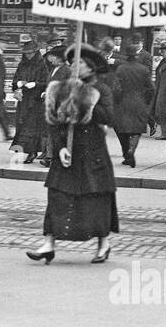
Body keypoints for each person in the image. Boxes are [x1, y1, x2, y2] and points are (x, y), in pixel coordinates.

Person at [27, 43, 118, 265]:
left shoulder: (101, 89)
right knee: (58, 196)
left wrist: (85, 99)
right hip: (67, 152)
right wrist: (60, 148)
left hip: (92, 152)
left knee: (95, 199)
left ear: (91, 68)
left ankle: (103, 244)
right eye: (73, 63)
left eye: (81, 64)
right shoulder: (62, 88)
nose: (75, 67)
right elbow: (55, 123)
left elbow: (108, 117)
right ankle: (49, 244)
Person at [111, 43, 154, 168]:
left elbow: (116, 89)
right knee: (137, 129)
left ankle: (126, 154)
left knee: (121, 130)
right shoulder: (144, 69)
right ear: (136, 55)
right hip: (139, 103)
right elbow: (151, 89)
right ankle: (131, 150)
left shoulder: (121, 69)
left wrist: (117, 101)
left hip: (123, 103)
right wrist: (145, 101)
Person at [11, 38, 49, 164]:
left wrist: (35, 84)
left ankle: (31, 152)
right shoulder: (22, 64)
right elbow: (14, 81)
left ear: (35, 52)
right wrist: (18, 83)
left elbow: (45, 82)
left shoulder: (42, 65)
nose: (28, 55)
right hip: (23, 99)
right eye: (26, 53)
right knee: (21, 126)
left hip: (35, 101)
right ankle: (21, 151)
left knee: (31, 127)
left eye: (30, 53)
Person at [38, 43, 68, 166]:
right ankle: (50, 156)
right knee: (50, 131)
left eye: (54, 57)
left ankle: (54, 157)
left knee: (58, 133)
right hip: (50, 105)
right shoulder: (53, 70)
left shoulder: (67, 70)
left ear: (60, 58)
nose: (51, 59)